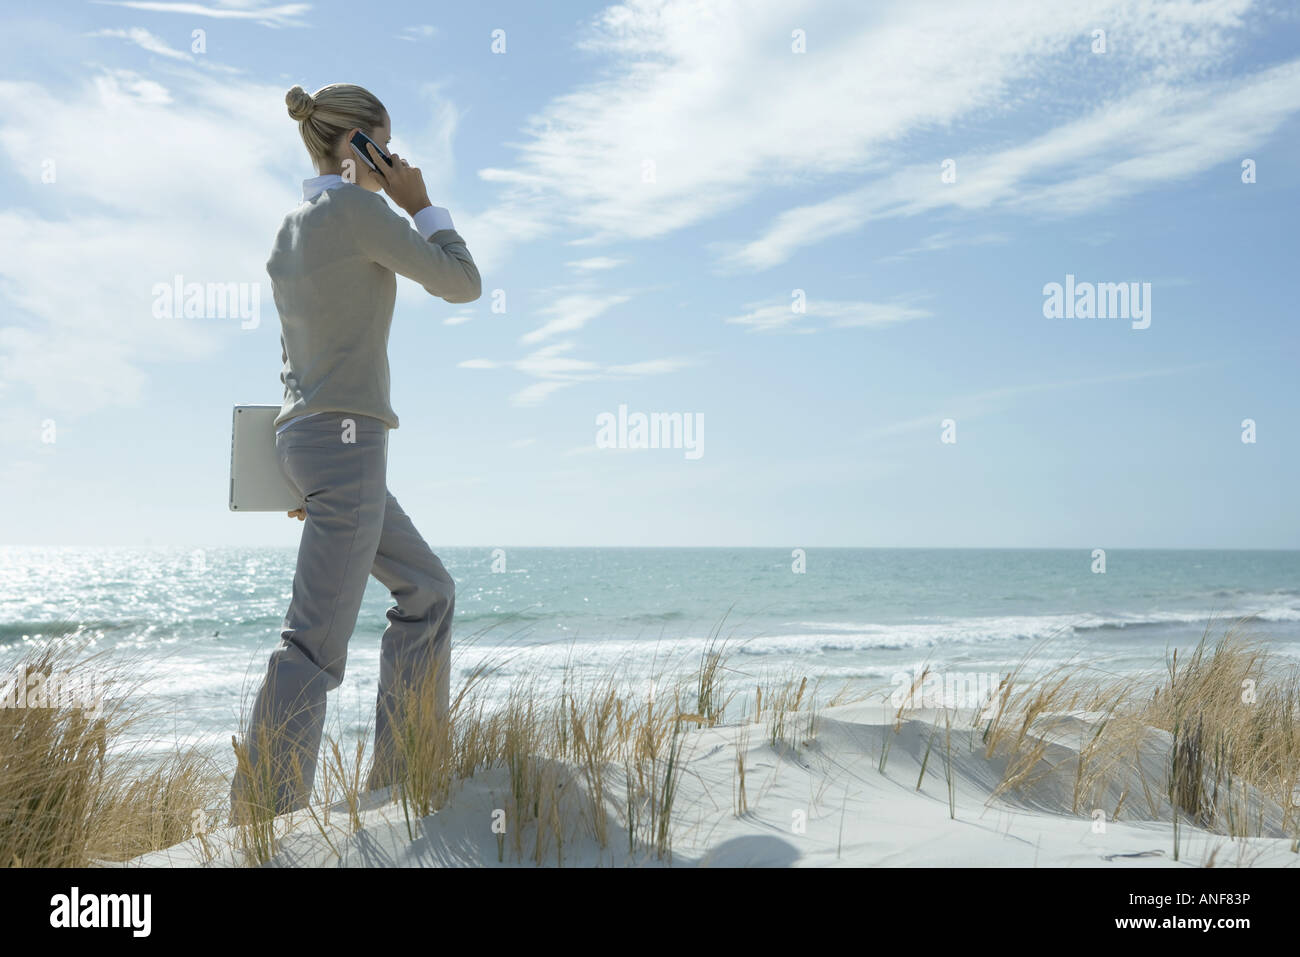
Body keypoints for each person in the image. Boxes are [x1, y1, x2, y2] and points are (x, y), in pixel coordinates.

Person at [230, 82, 481, 817]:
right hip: (348, 444)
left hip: (303, 441)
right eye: (386, 143)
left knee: (428, 591)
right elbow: (461, 283)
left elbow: (294, 358)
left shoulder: (292, 226)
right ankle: (263, 821)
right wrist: (421, 201)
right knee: (313, 644)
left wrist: (303, 477)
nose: (393, 157)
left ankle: (403, 780)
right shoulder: (357, 208)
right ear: (359, 144)